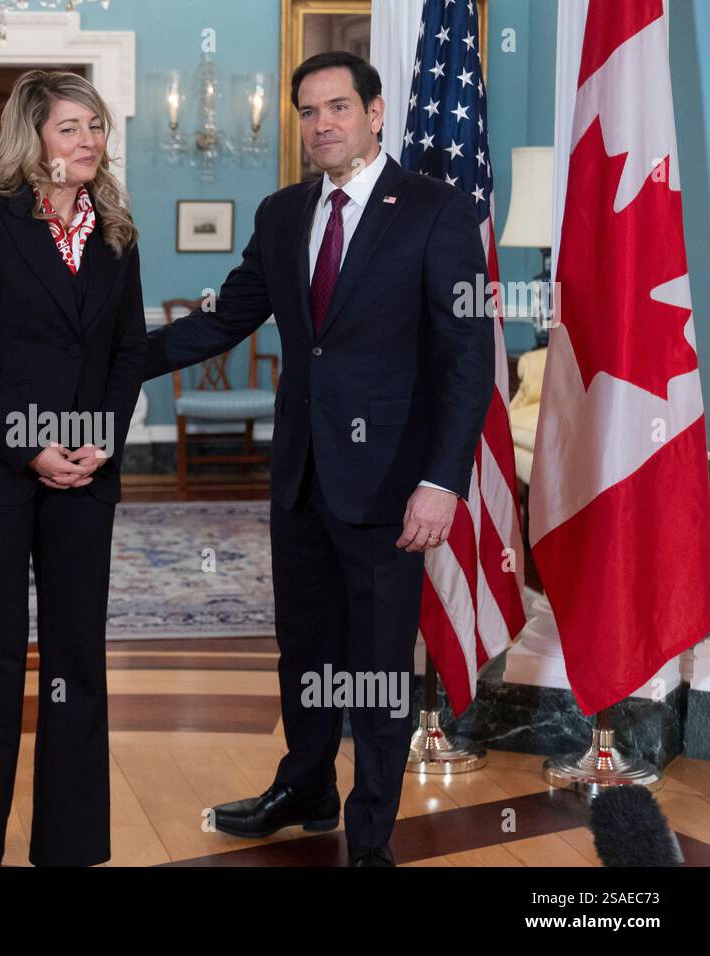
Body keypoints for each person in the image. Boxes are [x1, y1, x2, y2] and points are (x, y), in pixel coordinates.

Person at [143, 51, 492, 866]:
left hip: (392, 485)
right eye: (307, 111)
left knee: (374, 666)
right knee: (303, 648)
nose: (321, 124)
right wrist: (111, 357)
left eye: (337, 107)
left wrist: (441, 481)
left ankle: (371, 835)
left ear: (375, 112)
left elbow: (466, 360)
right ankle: (305, 789)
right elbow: (224, 320)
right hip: (301, 474)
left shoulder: (435, 213)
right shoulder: (281, 212)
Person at [0, 70, 146, 867]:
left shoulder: (117, 232)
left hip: (87, 471)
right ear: (34, 140)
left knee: (76, 659)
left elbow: (129, 350)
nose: (89, 140)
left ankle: (70, 847)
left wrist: (101, 439)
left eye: (95, 126)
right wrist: (31, 444)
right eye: (70, 128)